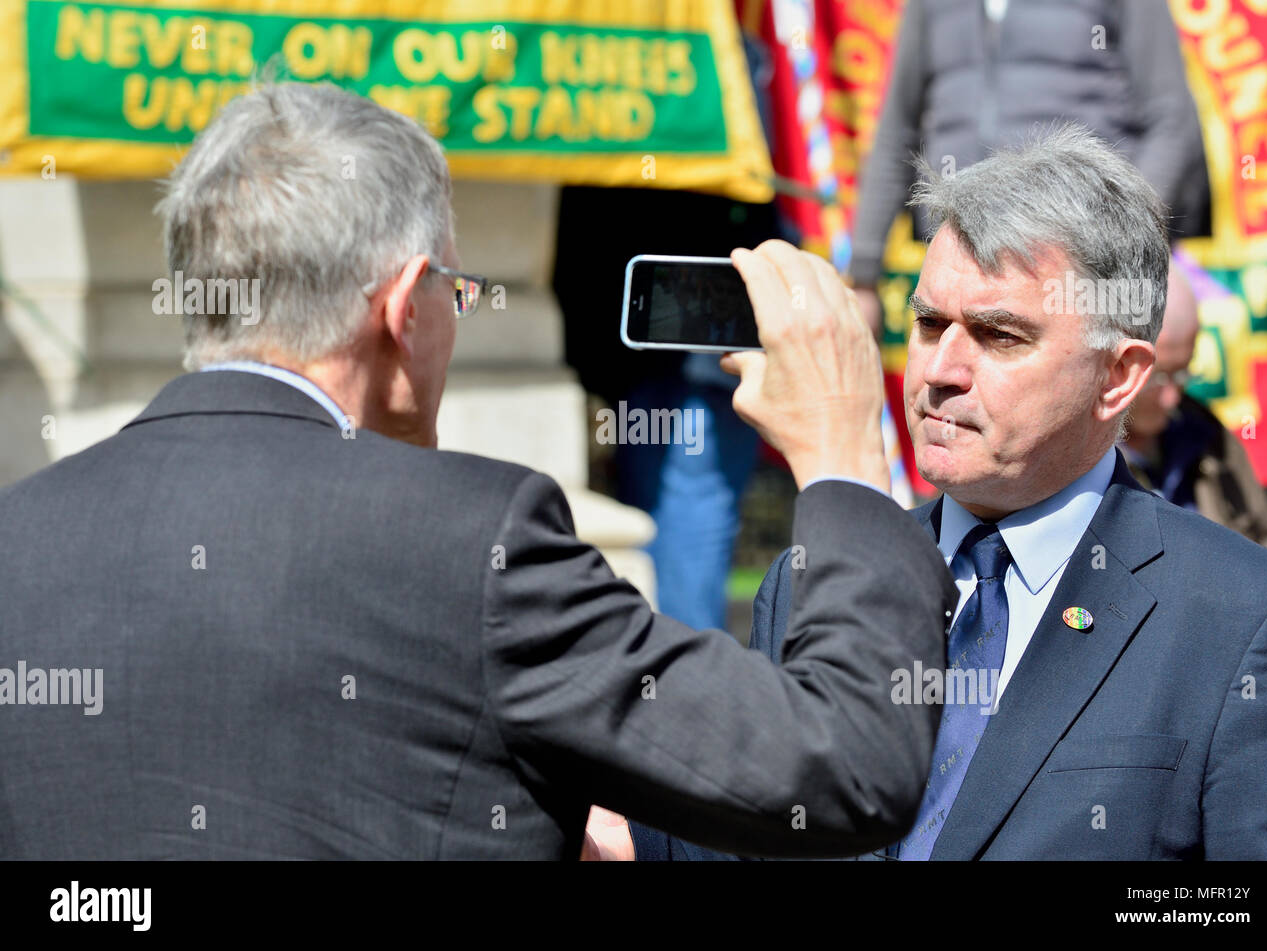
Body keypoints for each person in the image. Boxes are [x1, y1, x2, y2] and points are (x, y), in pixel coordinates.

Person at [0, 82, 957, 860]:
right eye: (457, 290)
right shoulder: (474, 539)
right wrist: (841, 454)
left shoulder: (21, 535)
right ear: (408, 306)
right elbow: (844, 768)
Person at [628, 125, 1267, 860]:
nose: (940, 369)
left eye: (999, 335)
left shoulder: (1248, 619)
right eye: (927, 322)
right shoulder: (807, 582)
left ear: (1118, 376)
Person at [849, 0, 1209, 338]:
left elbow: (1172, 121)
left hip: (1077, 266)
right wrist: (863, 276)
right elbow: (896, 135)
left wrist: (1126, 247)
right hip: (961, 259)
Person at [1122, 261, 1267, 559]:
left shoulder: (1208, 435)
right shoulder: (1081, 467)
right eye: (1159, 379)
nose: (1172, 399)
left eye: (1185, 374)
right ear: (1116, 364)